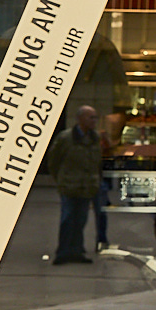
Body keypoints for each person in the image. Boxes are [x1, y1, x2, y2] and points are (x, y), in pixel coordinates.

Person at [49, 105, 104, 265]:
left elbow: (97, 162)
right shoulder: (66, 138)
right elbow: (54, 160)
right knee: (67, 218)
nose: (94, 121)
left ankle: (77, 250)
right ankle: (63, 251)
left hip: (87, 187)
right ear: (80, 119)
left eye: (95, 117)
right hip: (69, 185)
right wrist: (61, 179)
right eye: (91, 117)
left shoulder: (95, 138)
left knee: (80, 220)